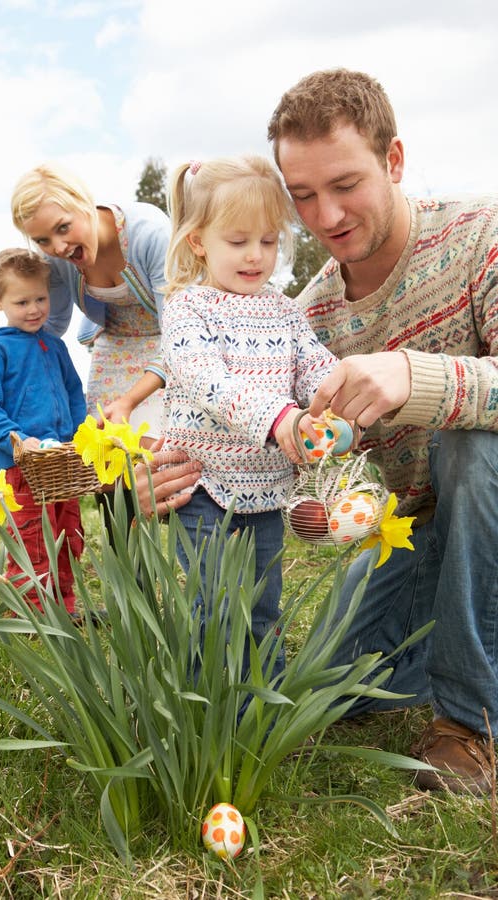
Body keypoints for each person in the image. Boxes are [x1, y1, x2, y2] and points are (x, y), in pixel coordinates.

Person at [266, 68, 498, 794]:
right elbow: (293, 467)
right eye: (302, 195)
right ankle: (468, 640)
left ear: (393, 160)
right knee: (340, 690)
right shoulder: (312, 322)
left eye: (345, 184)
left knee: (469, 442)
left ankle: (470, 724)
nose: (326, 215)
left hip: (486, 496)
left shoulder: (480, 238)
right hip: (418, 532)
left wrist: (416, 378)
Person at [161, 154, 340, 681]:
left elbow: (312, 365)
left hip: (266, 490)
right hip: (204, 488)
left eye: (268, 241)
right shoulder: (187, 308)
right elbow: (209, 382)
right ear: (198, 241)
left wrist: (337, 396)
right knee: (212, 609)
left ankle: (261, 711)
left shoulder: (284, 309)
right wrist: (282, 419)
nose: (255, 256)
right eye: (238, 242)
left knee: (263, 608)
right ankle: (210, 716)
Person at [0, 163, 172, 536]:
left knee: (162, 456)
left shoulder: (149, 234)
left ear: (84, 203)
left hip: (174, 344)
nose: (57, 247)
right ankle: (128, 577)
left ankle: (188, 553)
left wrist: (130, 400)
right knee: (106, 454)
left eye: (63, 228)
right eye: (42, 240)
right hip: (115, 345)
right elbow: (47, 326)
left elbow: (179, 336)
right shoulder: (59, 262)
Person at [0, 248, 87, 616]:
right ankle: (31, 614)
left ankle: (63, 607)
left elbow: (74, 394)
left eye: (41, 298)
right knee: (31, 537)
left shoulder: (56, 345)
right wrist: (14, 437)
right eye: (21, 301)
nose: (34, 309)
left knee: (67, 534)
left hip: (60, 463)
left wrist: (78, 436)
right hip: (20, 466)